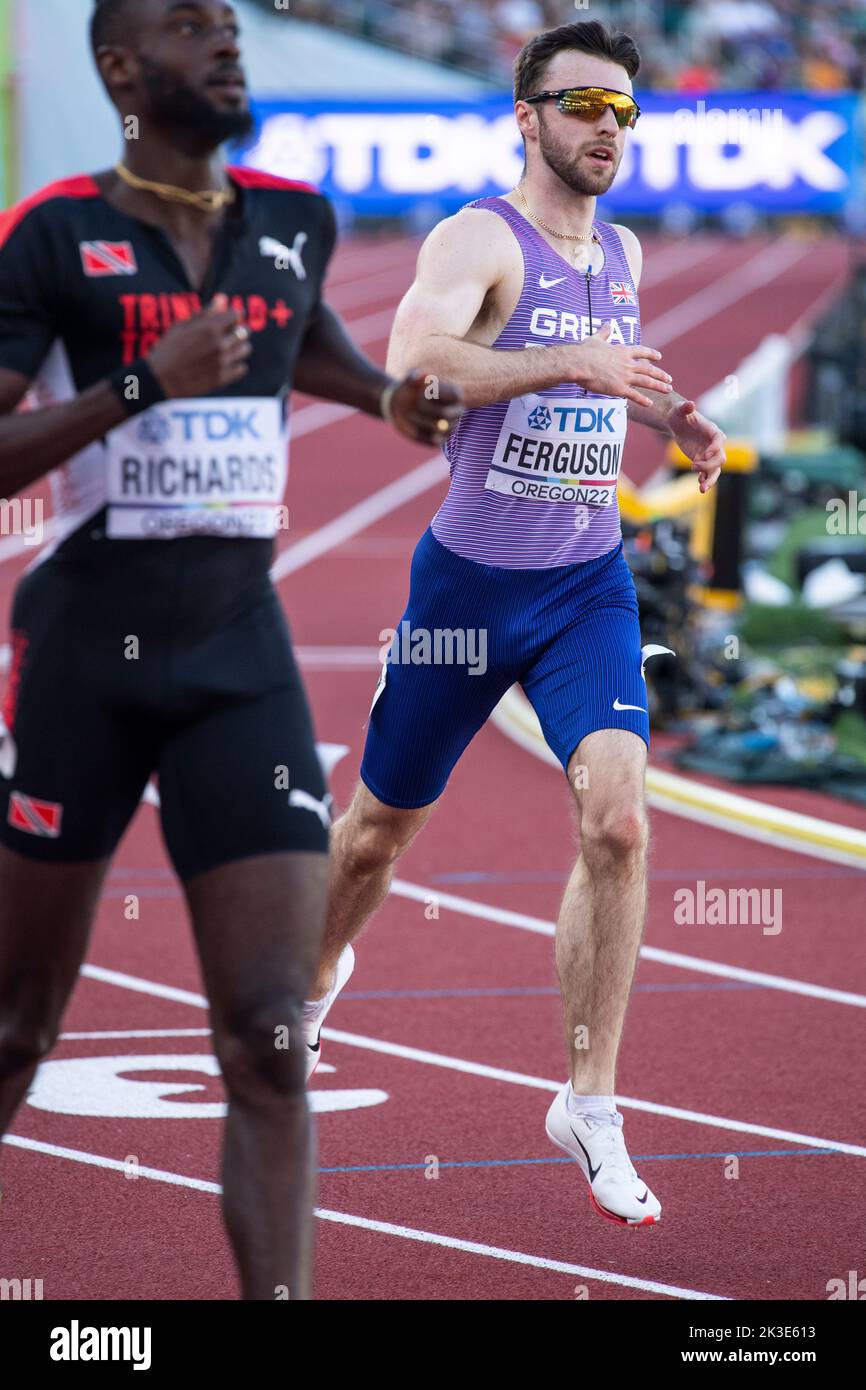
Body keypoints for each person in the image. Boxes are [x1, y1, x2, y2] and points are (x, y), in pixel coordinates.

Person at [0, 0, 462, 1300]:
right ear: (118, 69)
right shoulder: (54, 233)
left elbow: (303, 339)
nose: (223, 43)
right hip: (86, 654)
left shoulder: (292, 218)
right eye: (190, 28)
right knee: (15, 1027)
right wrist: (148, 382)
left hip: (236, 656)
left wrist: (385, 395)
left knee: (269, 1041)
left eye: (229, 27)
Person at [304, 19, 726, 1227]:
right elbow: (416, 364)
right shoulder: (476, 236)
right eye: (582, 105)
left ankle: (587, 1100)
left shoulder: (624, 248)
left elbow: (616, 372)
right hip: (465, 595)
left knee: (619, 825)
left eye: (622, 112)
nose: (605, 127)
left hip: (584, 587)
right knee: (377, 833)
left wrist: (677, 413)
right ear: (526, 114)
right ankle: (317, 976)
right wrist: (561, 364)